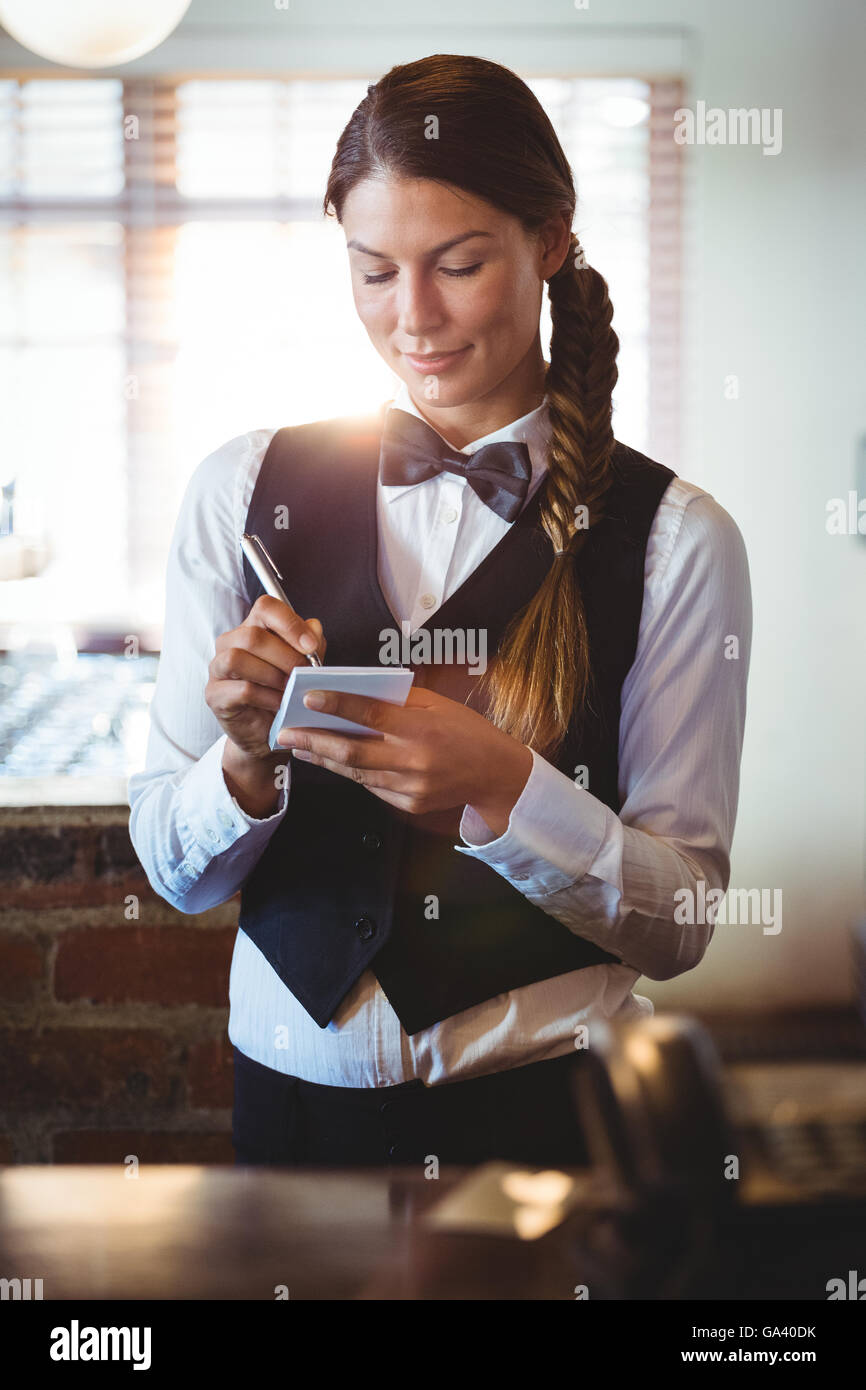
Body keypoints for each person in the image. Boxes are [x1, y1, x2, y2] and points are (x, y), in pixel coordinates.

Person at [128, 53, 751, 1170]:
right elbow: (174, 875)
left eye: (457, 265)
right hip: (286, 1124)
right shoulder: (236, 491)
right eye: (373, 272)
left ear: (549, 239)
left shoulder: (676, 539)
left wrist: (503, 790)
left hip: (542, 1124)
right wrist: (238, 766)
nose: (412, 319)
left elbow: (681, 922)